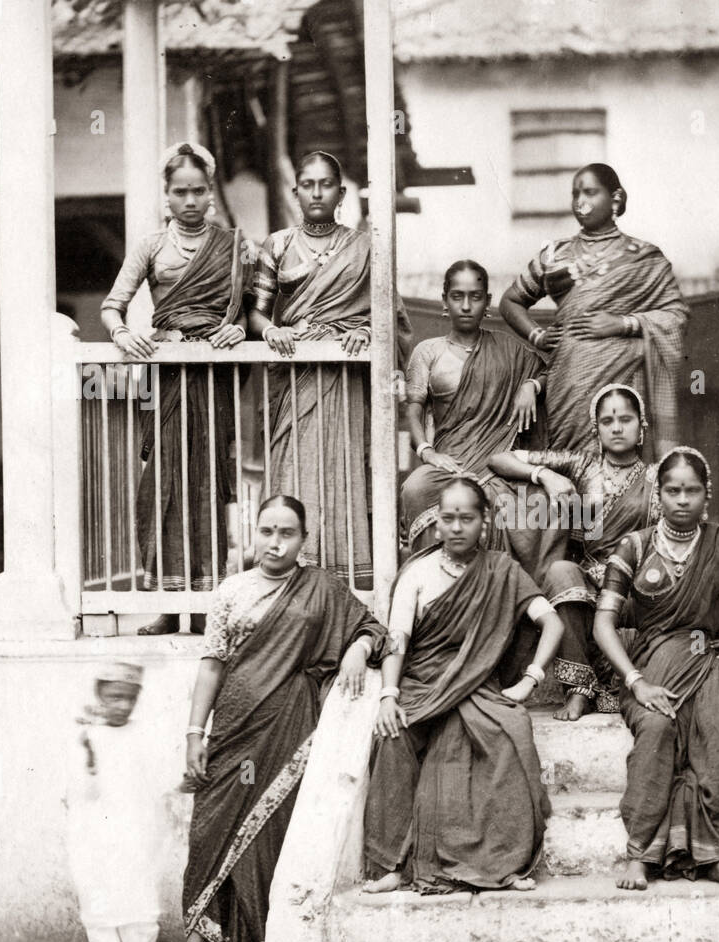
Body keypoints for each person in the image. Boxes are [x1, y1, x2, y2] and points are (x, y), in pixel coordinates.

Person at [156, 495, 387, 942]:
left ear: (304, 540)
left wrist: (355, 649)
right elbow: (212, 664)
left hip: (288, 728)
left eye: (286, 533)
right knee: (208, 838)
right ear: (252, 532)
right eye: (265, 531)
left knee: (266, 841)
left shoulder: (321, 587)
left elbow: (374, 628)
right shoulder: (232, 592)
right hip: (233, 728)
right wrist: (195, 734)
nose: (274, 542)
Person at [362, 477, 563, 895]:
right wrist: (388, 695)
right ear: (436, 525)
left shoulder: (503, 571)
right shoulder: (417, 573)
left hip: (478, 687)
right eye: (447, 518)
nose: (456, 527)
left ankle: (503, 862)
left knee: (511, 737)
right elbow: (397, 641)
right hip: (423, 684)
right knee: (393, 734)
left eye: (466, 518)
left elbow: (552, 622)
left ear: (484, 522)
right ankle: (391, 865)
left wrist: (530, 680)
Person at [593, 448, 719, 891]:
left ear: (706, 497)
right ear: (659, 496)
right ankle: (640, 855)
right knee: (654, 730)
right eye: (672, 490)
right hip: (650, 669)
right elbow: (602, 622)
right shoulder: (634, 547)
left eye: (692, 490)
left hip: (707, 666)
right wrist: (636, 683)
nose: (682, 500)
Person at [100, 142, 249, 635]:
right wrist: (124, 334)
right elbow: (111, 306)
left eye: (199, 191)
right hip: (167, 379)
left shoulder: (233, 247)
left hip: (212, 380)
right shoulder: (150, 246)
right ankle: (169, 601)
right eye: (180, 192)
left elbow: (248, 311)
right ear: (167, 195)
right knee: (165, 481)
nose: (190, 200)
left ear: (211, 194)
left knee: (207, 481)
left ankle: (207, 601)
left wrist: (240, 329)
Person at [251, 151, 412, 586]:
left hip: (344, 383)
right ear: (296, 191)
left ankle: (346, 581)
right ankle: (289, 577)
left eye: (326, 184)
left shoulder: (364, 247)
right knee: (292, 471)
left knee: (344, 474)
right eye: (308, 184)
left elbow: (390, 318)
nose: (317, 192)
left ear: (341, 193)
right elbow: (257, 313)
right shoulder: (277, 245)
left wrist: (366, 329)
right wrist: (269, 333)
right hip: (295, 376)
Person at [488, 383, 658, 721]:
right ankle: (580, 690)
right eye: (607, 421)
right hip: (593, 582)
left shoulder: (657, 476)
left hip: (638, 588)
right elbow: (499, 459)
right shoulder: (582, 466)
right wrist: (543, 473)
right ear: (596, 429)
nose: (617, 427)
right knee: (560, 572)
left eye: (626, 419)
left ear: (641, 427)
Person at [498, 163, 688, 456]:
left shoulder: (643, 257)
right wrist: (537, 335)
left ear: (616, 198)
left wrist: (622, 324)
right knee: (571, 471)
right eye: (575, 194)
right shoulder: (555, 255)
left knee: (619, 464)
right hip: (567, 384)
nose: (580, 202)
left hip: (621, 379)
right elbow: (510, 301)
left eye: (590, 192)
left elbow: (675, 317)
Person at [400, 259, 547, 556]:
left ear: (488, 302)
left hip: (499, 466)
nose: (466, 306)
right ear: (445, 301)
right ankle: (432, 576)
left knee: (543, 503)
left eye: (475, 297)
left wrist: (531, 385)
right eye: (457, 297)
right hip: (448, 465)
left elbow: (549, 370)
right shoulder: (428, 351)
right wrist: (428, 452)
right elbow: (413, 410)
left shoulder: (510, 349)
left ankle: (505, 583)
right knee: (414, 487)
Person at [66, 661, 167, 942]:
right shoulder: (86, 734)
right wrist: (88, 755)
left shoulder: (143, 734)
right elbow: (75, 787)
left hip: (134, 831)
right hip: (96, 833)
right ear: (99, 695)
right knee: (99, 898)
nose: (122, 705)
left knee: (138, 899)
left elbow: (154, 782)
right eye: (114, 697)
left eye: (128, 698)